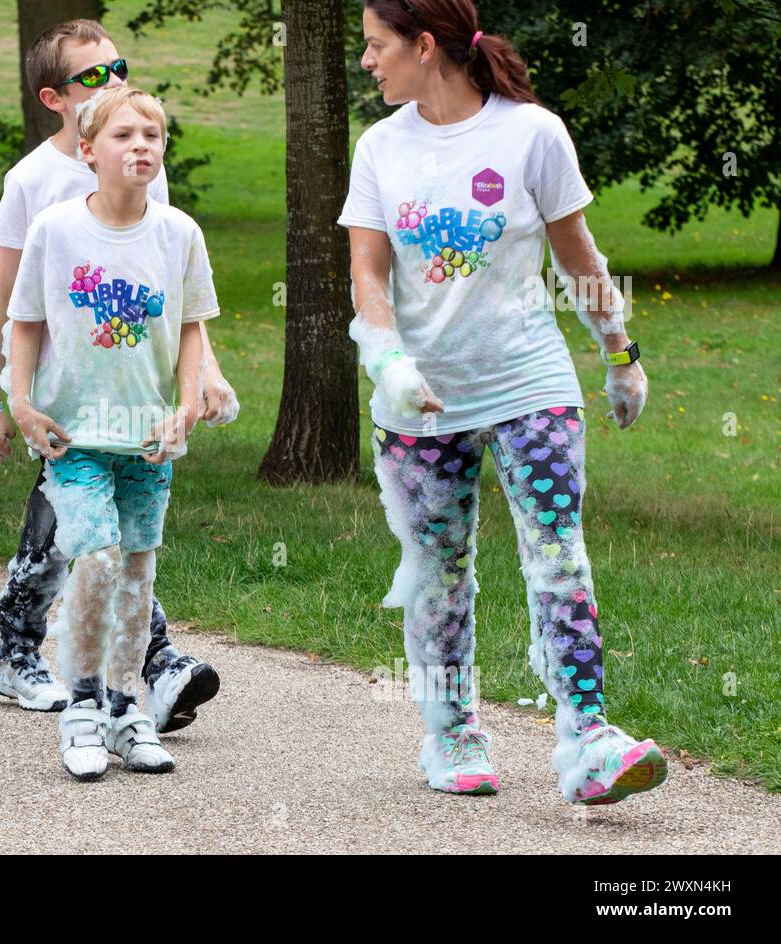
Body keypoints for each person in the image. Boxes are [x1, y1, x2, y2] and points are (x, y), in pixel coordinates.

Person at [342, 0, 668, 804]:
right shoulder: (379, 147)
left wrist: (620, 353)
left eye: (376, 46)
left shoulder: (532, 133)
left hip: (531, 385)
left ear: (425, 46)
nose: (366, 62)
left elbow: (578, 255)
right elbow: (370, 275)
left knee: (559, 555)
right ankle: (452, 734)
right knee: (437, 571)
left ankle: (589, 740)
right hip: (418, 403)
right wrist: (385, 360)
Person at [0, 20, 237, 731]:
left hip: (127, 394)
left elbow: (172, 290)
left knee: (90, 535)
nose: (113, 84)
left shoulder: (140, 154)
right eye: (93, 77)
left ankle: (133, 670)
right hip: (60, 395)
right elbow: (7, 302)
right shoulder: (31, 183)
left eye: (118, 68)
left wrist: (204, 374)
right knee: (80, 534)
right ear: (55, 99)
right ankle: (42, 655)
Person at [6, 85, 219, 780]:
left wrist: (186, 406)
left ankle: (130, 710)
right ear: (90, 151)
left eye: (153, 137)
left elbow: (190, 329)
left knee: (136, 571)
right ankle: (84, 706)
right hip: (76, 438)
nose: (142, 148)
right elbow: (27, 320)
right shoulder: (58, 231)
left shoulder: (179, 234)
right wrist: (19, 402)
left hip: (149, 441)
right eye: (125, 136)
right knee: (94, 559)